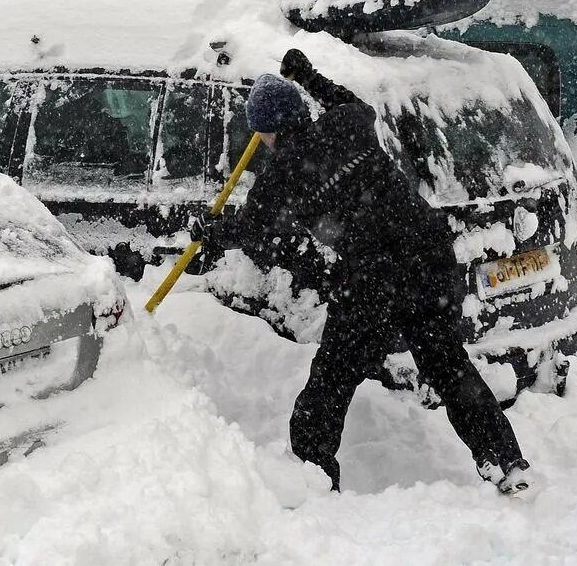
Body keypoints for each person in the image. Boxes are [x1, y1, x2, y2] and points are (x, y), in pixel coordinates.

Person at [193, 48, 532, 496]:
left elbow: (255, 229)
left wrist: (211, 231)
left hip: (373, 279)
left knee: (330, 381)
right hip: (427, 257)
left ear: (268, 132)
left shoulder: (283, 176)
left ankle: (312, 480)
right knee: (448, 365)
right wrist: (309, 75)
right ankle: (503, 458)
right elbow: (346, 99)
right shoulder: (350, 123)